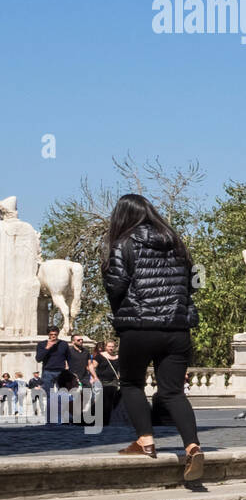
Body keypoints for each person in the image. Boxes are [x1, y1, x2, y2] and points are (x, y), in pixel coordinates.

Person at [101, 192, 204, 480]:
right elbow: (195, 283)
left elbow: (116, 285)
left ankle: (145, 442)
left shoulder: (123, 243)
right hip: (177, 329)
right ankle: (193, 447)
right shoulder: (178, 244)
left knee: (132, 384)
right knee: (172, 391)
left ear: (122, 216)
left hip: (139, 327)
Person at [92, 339, 122, 426]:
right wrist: (94, 377)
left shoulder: (117, 357)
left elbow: (119, 370)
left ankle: (106, 420)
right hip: (102, 381)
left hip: (113, 382)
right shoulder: (99, 356)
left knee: (110, 402)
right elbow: (92, 367)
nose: (111, 348)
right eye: (109, 346)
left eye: (112, 346)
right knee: (101, 401)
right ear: (106, 347)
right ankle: (96, 419)